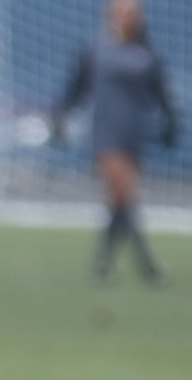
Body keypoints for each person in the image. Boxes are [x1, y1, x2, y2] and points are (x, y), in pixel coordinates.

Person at [54, 0, 180, 283]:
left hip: (135, 133)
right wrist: (60, 117)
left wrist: (171, 123)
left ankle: (103, 261)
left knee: (118, 202)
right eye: (121, 10)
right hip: (106, 133)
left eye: (132, 12)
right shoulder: (96, 48)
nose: (126, 16)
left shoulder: (146, 53)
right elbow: (76, 87)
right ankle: (147, 264)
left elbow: (161, 94)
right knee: (126, 196)